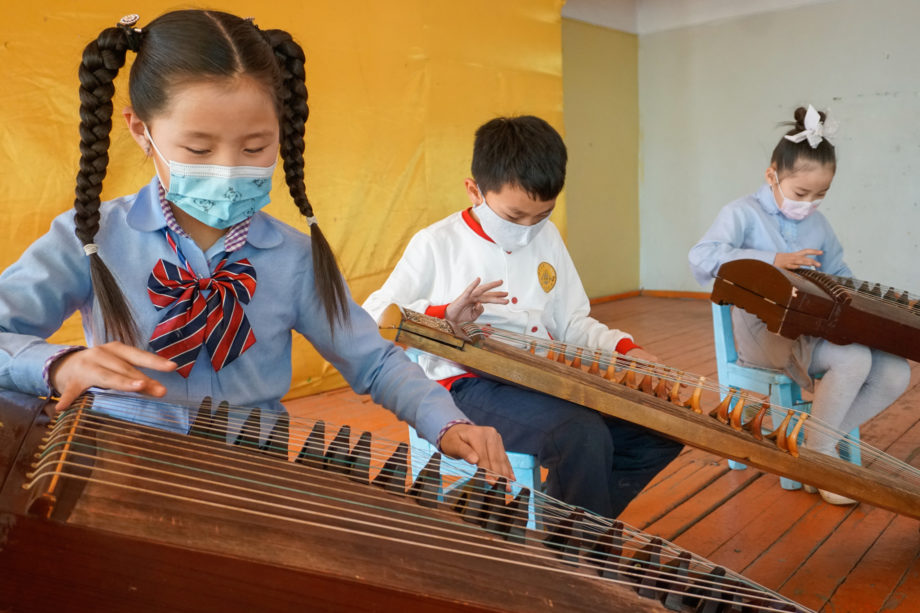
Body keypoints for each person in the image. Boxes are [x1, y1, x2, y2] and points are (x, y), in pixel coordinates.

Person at [0, 10, 513, 480]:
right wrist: (59, 363)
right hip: (125, 469)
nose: (228, 169)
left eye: (254, 147)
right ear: (141, 131)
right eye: (198, 148)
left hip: (255, 475)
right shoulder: (91, 238)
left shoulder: (294, 258)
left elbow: (373, 360)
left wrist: (445, 423)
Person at [363, 115, 684, 519]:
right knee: (580, 434)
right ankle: (575, 554)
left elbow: (572, 323)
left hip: (540, 375)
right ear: (474, 190)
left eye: (542, 215)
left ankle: (563, 523)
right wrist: (444, 316)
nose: (529, 229)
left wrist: (625, 350)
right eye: (515, 217)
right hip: (465, 384)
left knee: (660, 429)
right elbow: (372, 316)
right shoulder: (437, 243)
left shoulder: (546, 238)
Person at [688, 105, 910, 505]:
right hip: (763, 330)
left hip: (814, 327)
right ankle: (819, 459)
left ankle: (814, 441)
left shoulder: (818, 224)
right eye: (801, 193)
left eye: (821, 195)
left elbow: (841, 274)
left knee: (896, 372)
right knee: (853, 358)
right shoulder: (742, 213)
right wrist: (772, 260)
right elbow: (701, 257)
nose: (809, 203)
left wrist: (870, 305)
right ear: (772, 174)